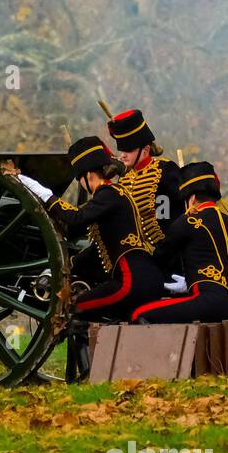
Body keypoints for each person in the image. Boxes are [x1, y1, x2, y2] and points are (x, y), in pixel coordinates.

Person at [38, 136, 166, 323]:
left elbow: (76, 218)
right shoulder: (117, 194)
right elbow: (98, 251)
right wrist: (68, 263)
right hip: (147, 280)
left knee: (69, 309)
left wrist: (45, 195)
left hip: (130, 283)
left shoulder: (108, 194)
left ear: (88, 175)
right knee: (98, 314)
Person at [131, 161, 228, 334]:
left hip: (207, 305)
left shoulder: (187, 222)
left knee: (138, 313)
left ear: (191, 198)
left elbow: (160, 257)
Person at [107, 108, 182, 245]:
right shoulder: (124, 178)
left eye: (128, 150)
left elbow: (170, 216)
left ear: (145, 150)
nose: (123, 155)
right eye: (122, 150)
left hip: (167, 250)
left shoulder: (164, 170)